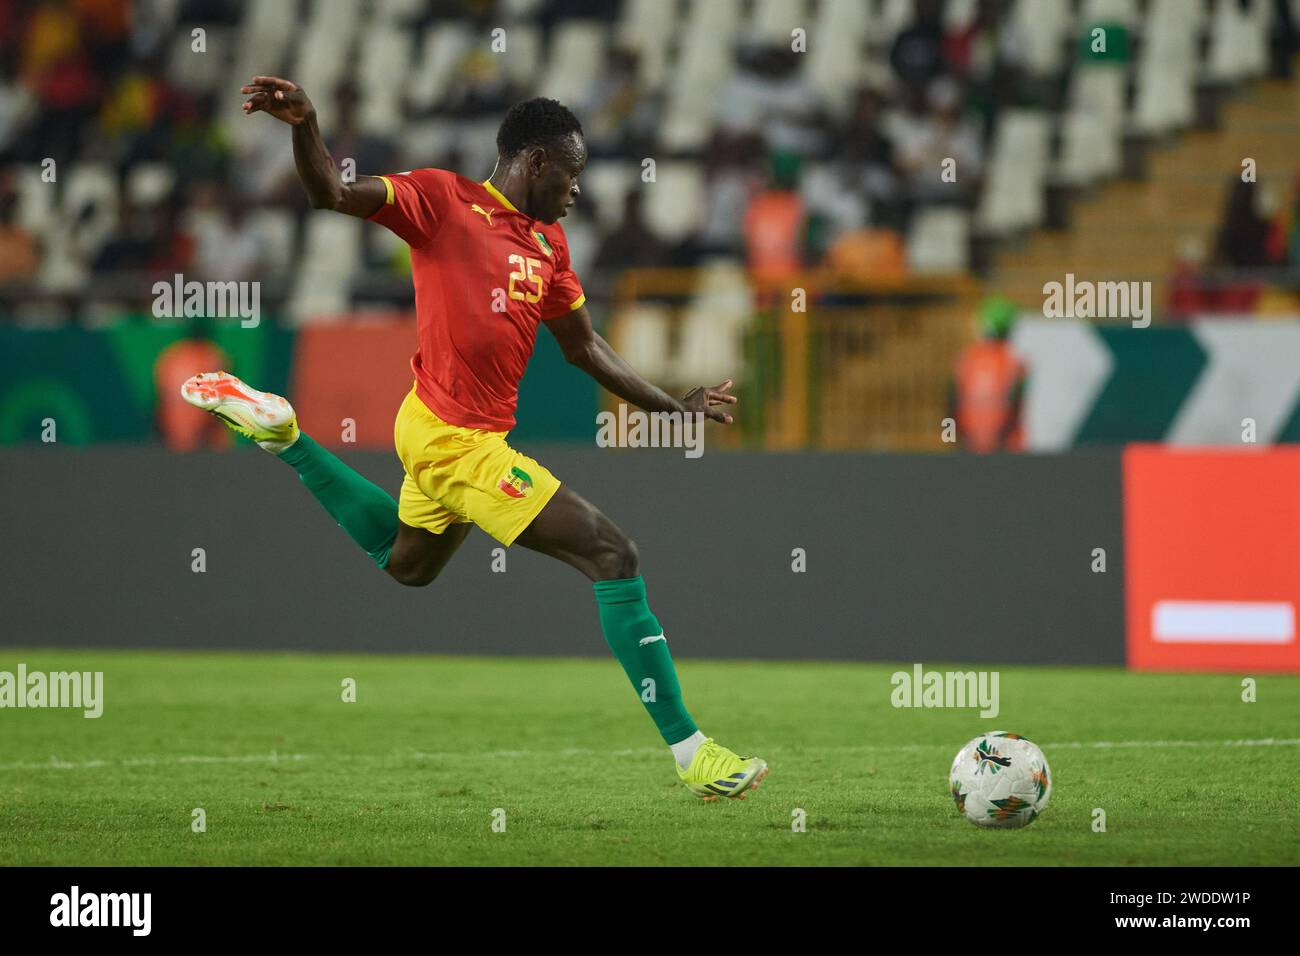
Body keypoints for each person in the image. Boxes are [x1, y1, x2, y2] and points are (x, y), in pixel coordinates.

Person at [180, 75, 769, 801]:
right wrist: (306, 126)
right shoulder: (441, 201)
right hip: (454, 438)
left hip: (441, 430)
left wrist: (670, 407)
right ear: (537, 164)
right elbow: (331, 193)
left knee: (409, 564)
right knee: (614, 554)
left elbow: (584, 349)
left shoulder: (548, 245)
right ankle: (693, 753)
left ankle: (286, 435)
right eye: (574, 175)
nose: (578, 192)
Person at [950, 296, 1026, 453]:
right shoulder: (1014, 361)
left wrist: (951, 440)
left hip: (971, 445)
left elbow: (952, 404)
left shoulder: (965, 360)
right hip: (1004, 446)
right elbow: (1017, 404)